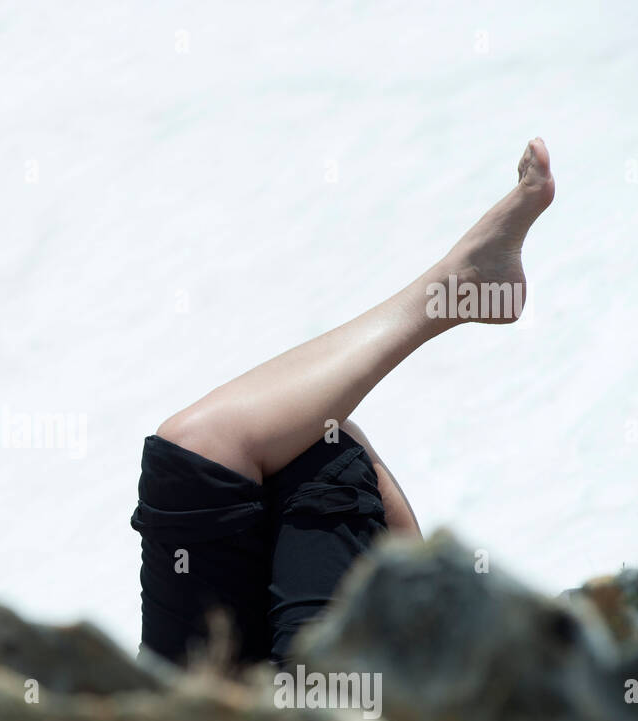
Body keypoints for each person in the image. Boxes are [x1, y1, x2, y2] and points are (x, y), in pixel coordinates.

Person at [132, 138, 556, 667]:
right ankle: (456, 286)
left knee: (249, 450)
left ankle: (460, 284)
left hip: (206, 707)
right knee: (322, 451)